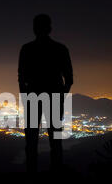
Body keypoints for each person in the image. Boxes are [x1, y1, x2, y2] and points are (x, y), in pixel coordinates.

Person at [18, 14, 73, 172]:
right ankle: (55, 175)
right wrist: (61, 97)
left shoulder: (27, 49)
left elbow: (21, 78)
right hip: (54, 98)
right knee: (55, 141)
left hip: (33, 98)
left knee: (31, 141)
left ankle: (32, 175)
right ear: (50, 28)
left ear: (34, 28)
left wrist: (25, 98)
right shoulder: (60, 49)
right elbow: (69, 79)